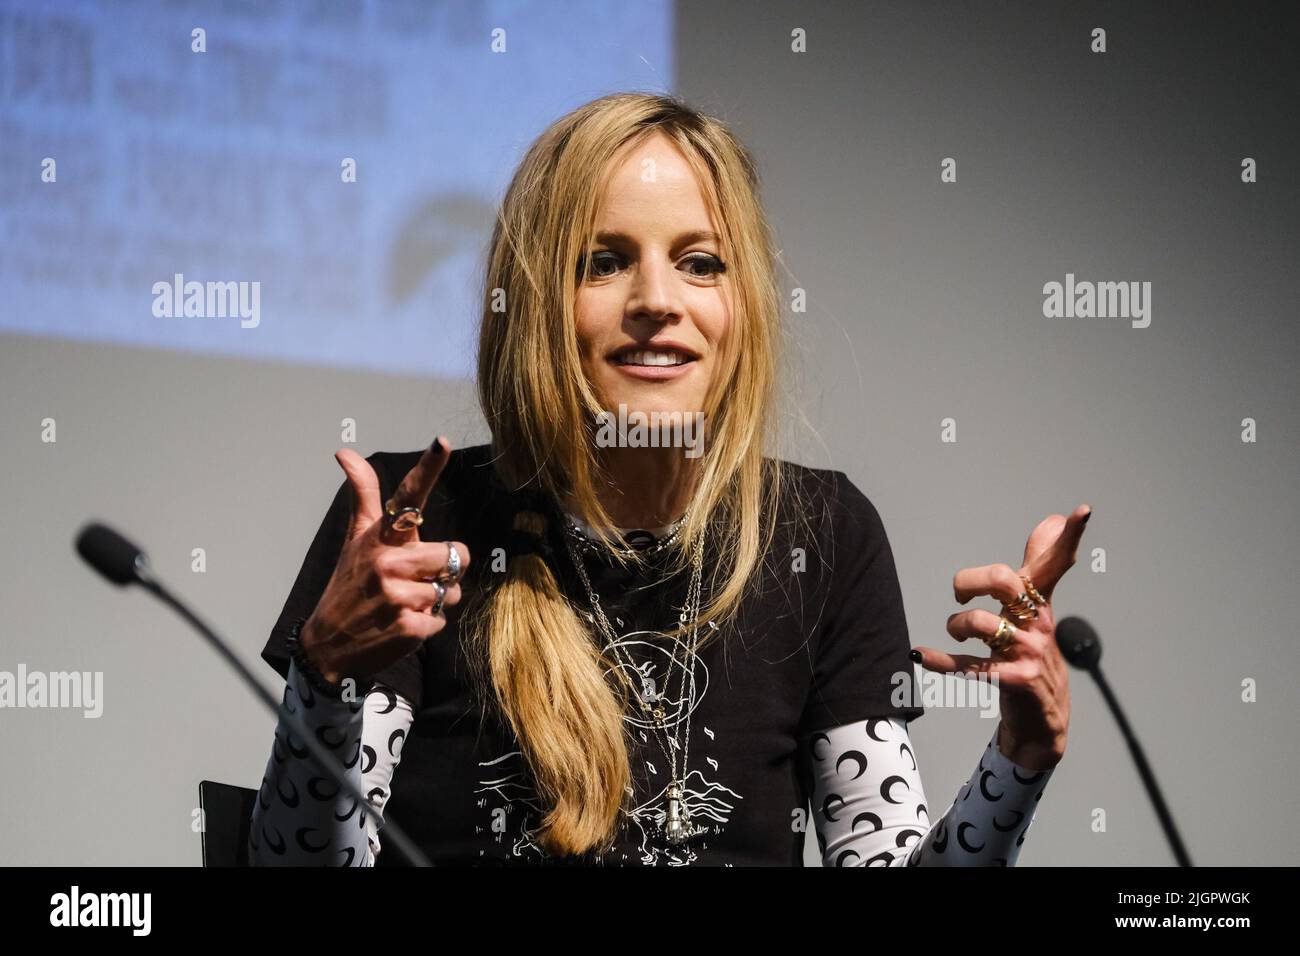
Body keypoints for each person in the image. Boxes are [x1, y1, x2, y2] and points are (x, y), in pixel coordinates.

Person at [248, 92, 1087, 867]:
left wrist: (1018, 762)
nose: (658, 298)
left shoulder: (825, 535)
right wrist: (327, 676)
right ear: (535, 302)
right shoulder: (414, 524)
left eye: (700, 263)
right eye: (603, 261)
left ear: (743, 306)